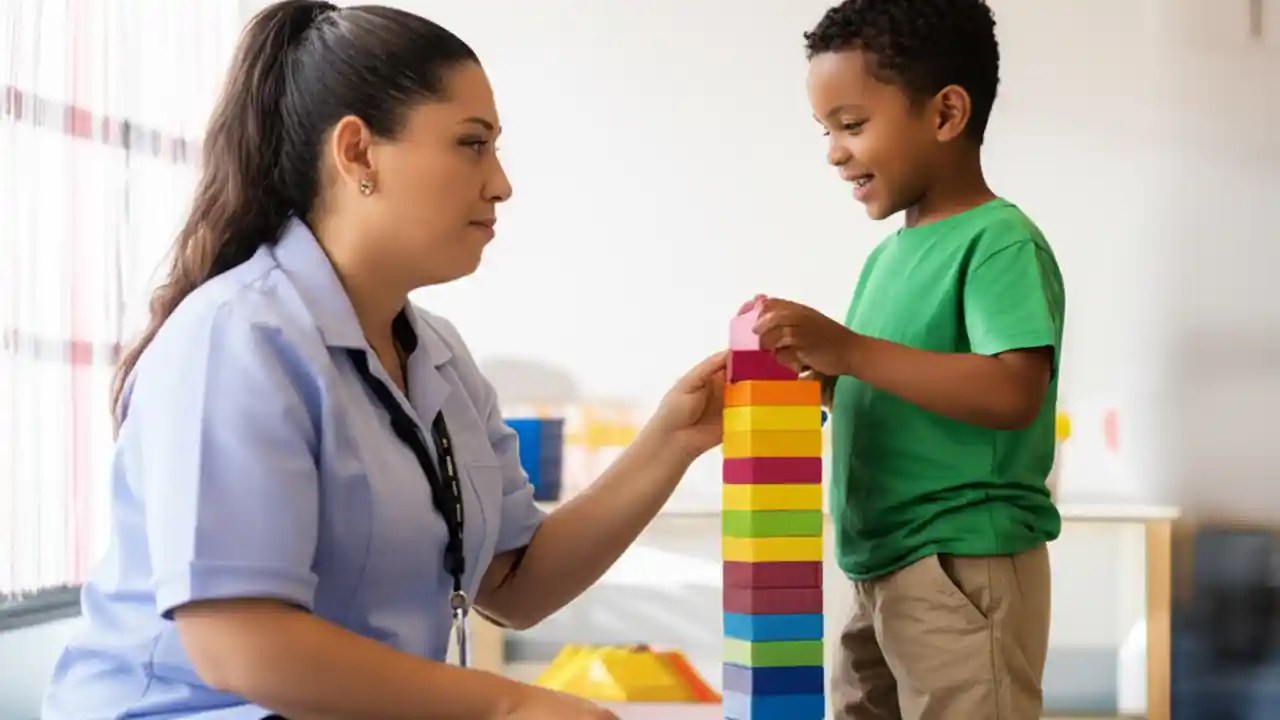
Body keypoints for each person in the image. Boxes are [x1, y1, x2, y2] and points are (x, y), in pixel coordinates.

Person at [41, 2, 725, 718]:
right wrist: (505, 707)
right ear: (358, 152)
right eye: (472, 144)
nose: (500, 183)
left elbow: (514, 585)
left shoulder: (438, 358)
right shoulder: (236, 338)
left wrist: (672, 441)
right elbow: (239, 643)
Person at [751, 1, 1066, 718]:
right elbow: (894, 385)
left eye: (852, 125)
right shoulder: (888, 258)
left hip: (961, 564)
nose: (834, 151)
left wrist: (853, 351)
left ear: (947, 113)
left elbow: (1013, 390)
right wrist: (826, 379)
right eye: (825, 131)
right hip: (881, 565)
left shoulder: (999, 241)